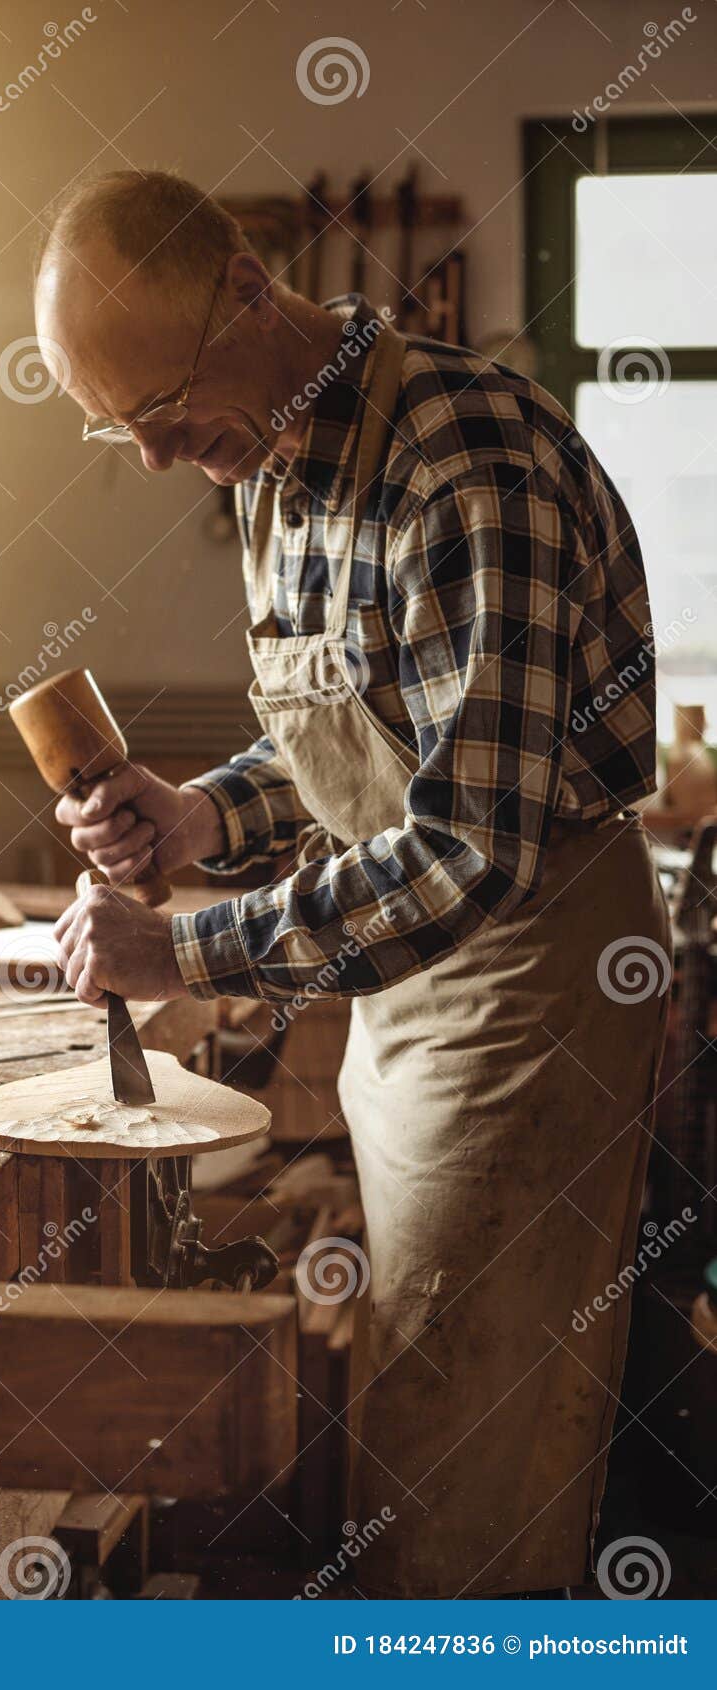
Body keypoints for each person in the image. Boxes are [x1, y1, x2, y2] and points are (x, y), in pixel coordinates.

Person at [35, 170, 670, 1597]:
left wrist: (187, 954)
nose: (147, 459)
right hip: (408, 1003)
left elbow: (464, 844)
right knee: (422, 1411)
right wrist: (202, 814)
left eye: (158, 410)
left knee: (474, 1483)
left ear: (250, 289)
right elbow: (360, 722)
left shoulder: (464, 467)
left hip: (527, 990)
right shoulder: (273, 457)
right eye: (113, 426)